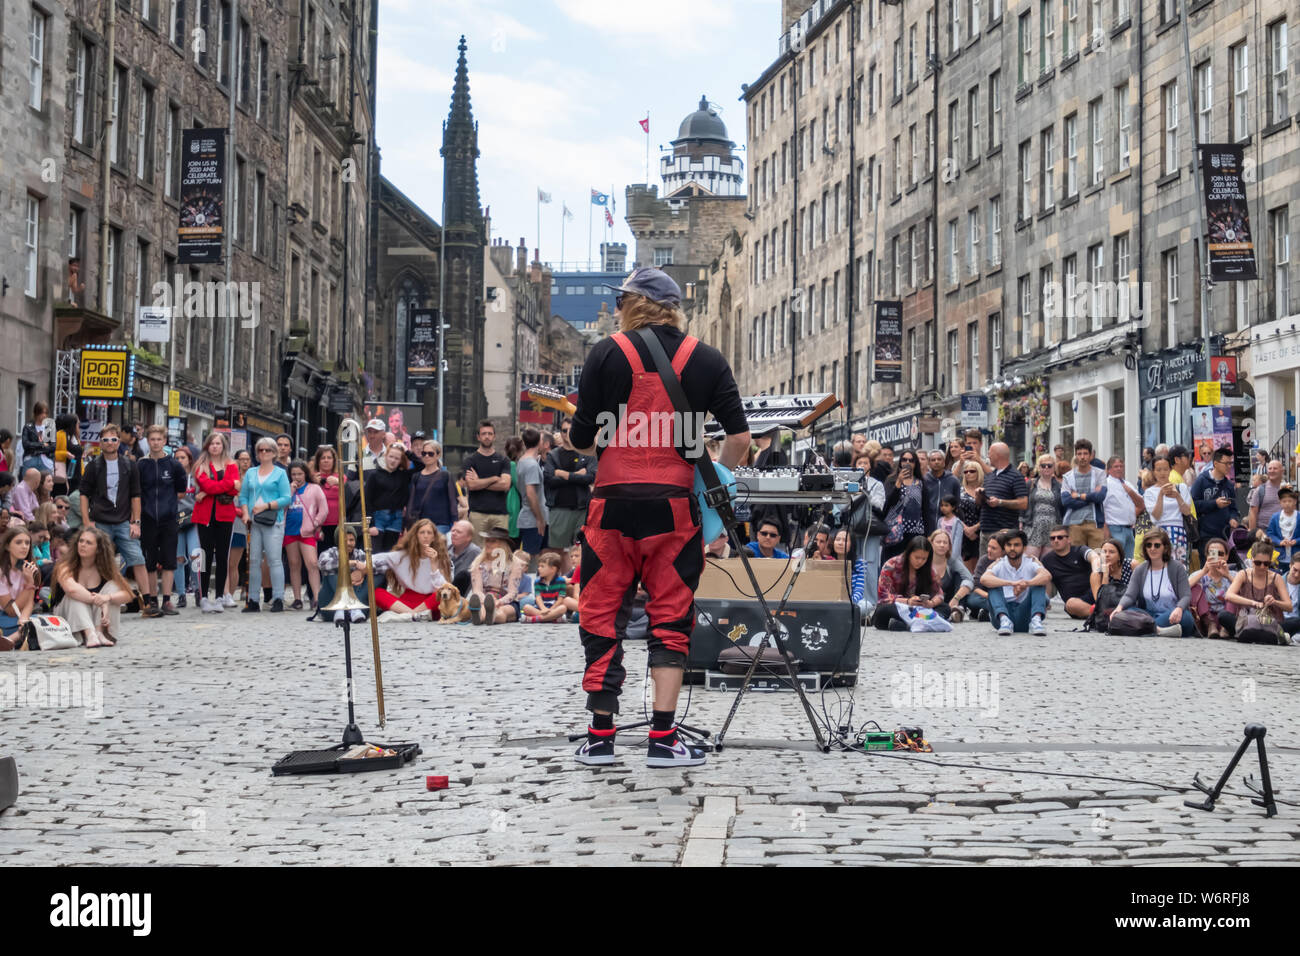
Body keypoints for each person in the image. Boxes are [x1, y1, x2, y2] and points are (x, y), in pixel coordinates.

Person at [569, 266, 748, 768]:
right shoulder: (707, 359)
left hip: (612, 505)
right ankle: (663, 740)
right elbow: (739, 439)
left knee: (602, 613)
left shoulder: (606, 352)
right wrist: (710, 479)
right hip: (673, 507)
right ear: (671, 307)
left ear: (632, 303)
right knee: (670, 619)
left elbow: (582, 440)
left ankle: (601, 738)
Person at [79, 424, 152, 609]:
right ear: (100, 443)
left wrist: (136, 522)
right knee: (98, 561)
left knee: (138, 559)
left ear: (119, 442)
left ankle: (148, 602)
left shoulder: (129, 465)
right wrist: (87, 523)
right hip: (101, 521)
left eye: (113, 439)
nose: (110, 443)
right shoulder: (93, 466)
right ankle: (94, 598)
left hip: (123, 521)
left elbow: (136, 495)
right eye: (105, 440)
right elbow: (84, 495)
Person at [51, 527, 134, 648]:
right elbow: (71, 589)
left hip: (96, 619)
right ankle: (90, 634)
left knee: (112, 587)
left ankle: (99, 632)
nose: (83, 545)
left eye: (88, 543)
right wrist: (101, 603)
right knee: (75, 596)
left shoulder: (105, 569)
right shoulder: (65, 566)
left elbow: (128, 595)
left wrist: (107, 598)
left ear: (98, 549)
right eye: (81, 541)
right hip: (68, 618)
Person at [136, 425, 188, 616]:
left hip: (168, 519)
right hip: (147, 518)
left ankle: (167, 600)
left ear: (164, 441)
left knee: (169, 560)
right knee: (149, 561)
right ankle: (152, 599)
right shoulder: (141, 465)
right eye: (152, 439)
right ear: (148, 441)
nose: (156, 443)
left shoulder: (174, 465)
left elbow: (181, 491)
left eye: (159, 439)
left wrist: (169, 506)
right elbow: (136, 492)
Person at [238, 437, 292, 612]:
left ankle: (278, 598)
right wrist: (245, 512)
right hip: (254, 521)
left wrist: (267, 506)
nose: (264, 453)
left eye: (268, 450)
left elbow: (286, 498)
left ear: (274, 453)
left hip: (272, 520)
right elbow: (243, 496)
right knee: (253, 560)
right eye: (261, 450)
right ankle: (253, 599)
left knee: (274, 560)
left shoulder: (280, 473)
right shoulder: (251, 473)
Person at [1116, 528, 1198, 637]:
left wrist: (1179, 608)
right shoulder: (1140, 569)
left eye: (1157, 545)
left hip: (1171, 615)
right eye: (1148, 545)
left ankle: (1148, 629)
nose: (1152, 548)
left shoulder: (1177, 567)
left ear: (1165, 548)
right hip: (1147, 615)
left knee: (1186, 618)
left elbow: (1186, 596)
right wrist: (1119, 607)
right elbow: (1130, 596)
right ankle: (1159, 630)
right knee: (1126, 613)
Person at [192, 432, 240, 613]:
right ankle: (203, 596)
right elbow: (212, 485)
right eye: (212, 443)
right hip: (205, 515)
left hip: (225, 515)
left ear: (223, 446)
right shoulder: (201, 465)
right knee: (204, 556)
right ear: (207, 446)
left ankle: (220, 596)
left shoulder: (231, 465)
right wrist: (219, 488)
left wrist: (207, 492)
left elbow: (235, 490)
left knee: (222, 557)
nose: (215, 446)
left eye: (218, 443)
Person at [371, 519, 450, 621]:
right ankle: (414, 615)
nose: (425, 536)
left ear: (433, 537)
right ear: (416, 536)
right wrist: (358, 566)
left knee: (442, 594)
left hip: (429, 603)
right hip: (406, 602)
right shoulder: (403, 556)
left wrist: (434, 564)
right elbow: (376, 559)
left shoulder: (441, 557)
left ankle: (410, 615)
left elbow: (443, 588)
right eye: (422, 532)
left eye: (429, 533)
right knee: (377, 593)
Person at [979, 528, 1051, 635]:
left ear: (1024, 547)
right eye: (1009, 545)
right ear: (1005, 547)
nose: (1012, 548)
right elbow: (984, 579)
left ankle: (1036, 621)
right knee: (993, 586)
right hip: (1002, 615)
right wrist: (1012, 583)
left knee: (1038, 584)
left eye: (1016, 545)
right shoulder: (1000, 563)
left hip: (1025, 615)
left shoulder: (1030, 562)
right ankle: (1005, 621)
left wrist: (1026, 583)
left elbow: (1046, 576)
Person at [1221, 540, 1294, 641]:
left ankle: (1252, 634)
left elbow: (1289, 607)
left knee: (1296, 622)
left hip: (1271, 621)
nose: (1262, 567)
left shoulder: (1276, 578)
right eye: (1258, 563)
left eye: (1266, 563)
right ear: (1252, 559)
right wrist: (1252, 603)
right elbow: (1229, 595)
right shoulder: (1243, 574)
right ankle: (1269, 635)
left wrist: (1275, 601)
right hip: (1246, 619)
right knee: (1223, 616)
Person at [543, 418, 596, 550]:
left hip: (581, 509)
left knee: (580, 549)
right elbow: (549, 479)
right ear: (560, 433)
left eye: (570, 430)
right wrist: (577, 475)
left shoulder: (587, 453)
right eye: (564, 430)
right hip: (559, 508)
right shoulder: (553, 455)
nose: (567, 433)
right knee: (558, 551)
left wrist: (563, 474)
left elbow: (590, 477)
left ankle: (577, 572)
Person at [873, 535, 943, 631]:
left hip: (919, 610)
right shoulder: (891, 565)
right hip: (899, 608)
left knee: (945, 608)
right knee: (882, 611)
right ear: (909, 553)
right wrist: (907, 601)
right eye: (917, 557)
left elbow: (939, 593)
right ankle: (925, 622)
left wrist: (931, 603)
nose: (920, 561)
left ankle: (906, 624)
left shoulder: (928, 569)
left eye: (924, 559)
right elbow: (883, 597)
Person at [284, 460, 328, 610]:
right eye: (294, 474)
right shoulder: (286, 489)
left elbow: (323, 509)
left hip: (307, 532)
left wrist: (315, 523)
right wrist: (289, 491)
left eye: (300, 474)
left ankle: (316, 598)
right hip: (289, 530)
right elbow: (282, 506)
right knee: (294, 564)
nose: (297, 477)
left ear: (305, 474)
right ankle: (297, 599)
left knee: (312, 564)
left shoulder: (314, 488)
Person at [881, 449, 934, 564]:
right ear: (900, 462)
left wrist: (928, 533)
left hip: (915, 531)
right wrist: (898, 483)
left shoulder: (921, 483)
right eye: (904, 460)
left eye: (911, 460)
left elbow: (926, 510)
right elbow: (887, 504)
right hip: (895, 530)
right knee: (893, 564)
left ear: (915, 464)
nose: (907, 463)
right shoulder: (891, 480)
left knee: (912, 564)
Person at [462, 420, 511, 543]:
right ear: (478, 437)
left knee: (500, 552)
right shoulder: (470, 461)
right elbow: (471, 485)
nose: (487, 436)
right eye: (484, 434)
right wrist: (494, 479)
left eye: (490, 433)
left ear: (494, 436)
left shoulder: (503, 460)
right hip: (478, 513)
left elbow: (505, 485)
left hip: (500, 514)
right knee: (478, 552)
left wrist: (480, 482)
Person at [365, 442, 420, 552]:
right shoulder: (375, 475)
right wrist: (371, 524)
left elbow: (421, 466)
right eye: (391, 457)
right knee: (376, 553)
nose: (393, 460)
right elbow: (367, 500)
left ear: (400, 461)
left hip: (396, 518)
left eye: (397, 458)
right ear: (385, 457)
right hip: (378, 517)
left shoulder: (403, 475)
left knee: (389, 554)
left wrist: (407, 451)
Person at [467, 527, 527, 626]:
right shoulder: (478, 563)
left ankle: (492, 616)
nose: (488, 544)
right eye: (487, 541)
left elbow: (513, 592)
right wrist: (486, 600)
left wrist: (499, 602)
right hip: (485, 600)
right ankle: (479, 617)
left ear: (502, 545)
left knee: (502, 611)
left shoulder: (514, 563)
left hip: (507, 602)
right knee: (482, 609)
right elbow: (477, 590)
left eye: (493, 541)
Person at [1041, 525, 1103, 620]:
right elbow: (1046, 581)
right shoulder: (1047, 560)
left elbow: (1094, 557)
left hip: (1094, 593)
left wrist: (1096, 568)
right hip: (1076, 602)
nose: (1056, 540)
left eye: (1060, 537)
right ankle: (1101, 615)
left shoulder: (1080, 550)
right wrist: (1045, 603)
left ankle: (1100, 611)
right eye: (1052, 538)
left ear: (1069, 539)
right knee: (1070, 604)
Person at [978, 442, 1030, 554]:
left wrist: (1000, 502)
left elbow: (1023, 503)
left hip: (1004, 532)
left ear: (997, 455)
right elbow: (981, 503)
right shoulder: (990, 476)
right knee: (985, 567)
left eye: (989, 453)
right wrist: (980, 495)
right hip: (985, 531)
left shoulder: (1016, 476)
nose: (988, 456)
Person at [1190, 447, 1240, 559]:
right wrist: (1214, 504)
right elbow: (1193, 505)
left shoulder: (1228, 485)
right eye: (1226, 463)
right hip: (1207, 535)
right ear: (1216, 463)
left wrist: (1233, 518)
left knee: (1222, 566)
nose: (1229, 466)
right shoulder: (1201, 480)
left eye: (1230, 463)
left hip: (1224, 535)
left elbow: (1233, 508)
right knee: (1211, 565)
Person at [1143, 456, 1192, 566]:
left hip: (1179, 530)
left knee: (1180, 567)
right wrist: (1160, 495)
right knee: (1160, 565)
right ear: (1153, 472)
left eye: (1165, 469)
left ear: (1170, 470)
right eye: (1159, 470)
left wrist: (1178, 496)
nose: (1162, 473)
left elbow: (1187, 512)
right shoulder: (1150, 492)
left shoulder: (1181, 487)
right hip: (1159, 532)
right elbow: (1156, 515)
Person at [1060, 439, 1107, 550]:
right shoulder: (1068, 476)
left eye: (1085, 453)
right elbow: (1066, 501)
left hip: (1095, 523)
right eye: (1079, 454)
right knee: (1077, 561)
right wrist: (1091, 497)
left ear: (1091, 455)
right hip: (1074, 524)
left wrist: (1079, 496)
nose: (1082, 457)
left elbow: (1100, 496)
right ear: (1075, 455)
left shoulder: (1099, 474)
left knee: (1098, 559)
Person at [404, 439, 458, 535]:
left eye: (430, 453)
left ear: (438, 455)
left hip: (440, 524)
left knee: (437, 549)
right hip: (420, 524)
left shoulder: (445, 475)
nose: (427, 456)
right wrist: (408, 524)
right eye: (424, 453)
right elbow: (411, 503)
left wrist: (455, 522)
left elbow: (453, 501)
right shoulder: (416, 476)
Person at [316, 527, 368, 623]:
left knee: (373, 575)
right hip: (331, 607)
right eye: (344, 540)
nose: (348, 543)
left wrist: (362, 573)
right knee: (332, 571)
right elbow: (322, 564)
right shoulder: (330, 552)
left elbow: (378, 564)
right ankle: (343, 606)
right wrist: (352, 563)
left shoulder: (360, 554)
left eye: (351, 540)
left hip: (357, 607)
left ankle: (353, 609)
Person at [1188, 537, 1235, 638]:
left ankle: (1224, 628)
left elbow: (1246, 591)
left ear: (1227, 556)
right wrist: (1203, 572)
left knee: (1235, 589)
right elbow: (1183, 589)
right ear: (1206, 556)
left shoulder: (1234, 575)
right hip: (1205, 620)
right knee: (1195, 587)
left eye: (1220, 554)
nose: (1217, 557)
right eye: (1213, 553)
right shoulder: (1198, 574)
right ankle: (1210, 624)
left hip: (1227, 618)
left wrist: (1227, 575)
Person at [0, 526, 39, 643]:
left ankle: (13, 639)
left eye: (27, 543)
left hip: (20, 616)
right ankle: (17, 637)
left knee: (37, 622)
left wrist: (24, 619)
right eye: (18, 542)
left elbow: (29, 602)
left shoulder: (30, 568)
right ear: (7, 546)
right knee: (33, 628)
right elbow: (10, 610)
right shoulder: (1, 572)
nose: (24, 546)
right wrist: (29, 584)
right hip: (4, 616)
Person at [514, 427, 549, 555]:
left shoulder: (523, 461)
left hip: (529, 517)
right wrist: (540, 519)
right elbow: (530, 493)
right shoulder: (531, 465)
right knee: (531, 558)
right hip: (532, 520)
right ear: (540, 442)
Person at [1101, 456, 1144, 561]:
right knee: (1114, 562)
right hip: (1115, 529)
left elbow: (1141, 504)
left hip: (1129, 530)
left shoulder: (1127, 483)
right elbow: (1101, 509)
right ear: (1109, 469)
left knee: (1128, 564)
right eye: (1116, 466)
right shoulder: (1106, 485)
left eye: (1121, 466)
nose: (1119, 468)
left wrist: (1130, 491)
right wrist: (1106, 531)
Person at [929, 528, 974, 621]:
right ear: (931, 543)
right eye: (938, 542)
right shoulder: (925, 560)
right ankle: (948, 614)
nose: (942, 545)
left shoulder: (952, 560)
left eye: (945, 543)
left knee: (960, 576)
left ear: (949, 546)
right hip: (932, 599)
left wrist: (956, 598)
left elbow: (969, 579)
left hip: (951, 600)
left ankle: (958, 609)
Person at [1024, 453, 1063, 558]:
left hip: (1052, 527)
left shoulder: (1060, 486)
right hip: (1034, 526)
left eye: (1049, 465)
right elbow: (1024, 505)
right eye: (1043, 465)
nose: (1046, 467)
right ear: (1038, 467)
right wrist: (1021, 522)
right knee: (1029, 561)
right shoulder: (1030, 484)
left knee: (1048, 562)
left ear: (1054, 467)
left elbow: (1062, 507)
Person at [966, 532, 1006, 622]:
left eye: (993, 548)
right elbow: (976, 587)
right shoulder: (984, 560)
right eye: (988, 546)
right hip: (986, 596)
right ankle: (995, 611)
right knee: (970, 599)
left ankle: (988, 612)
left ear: (1003, 551)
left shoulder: (1010, 561)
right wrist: (990, 596)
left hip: (1007, 596)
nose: (989, 550)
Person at [312, 444, 345, 550]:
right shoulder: (312, 477)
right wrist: (313, 484)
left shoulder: (341, 477)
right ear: (318, 461)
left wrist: (338, 483)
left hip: (338, 524)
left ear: (334, 460)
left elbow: (349, 497)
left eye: (329, 458)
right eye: (323, 458)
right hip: (318, 525)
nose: (326, 460)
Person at [521, 552, 570, 622]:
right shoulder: (537, 581)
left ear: (553, 569)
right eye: (538, 566)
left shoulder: (561, 581)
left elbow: (560, 600)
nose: (539, 569)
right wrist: (543, 609)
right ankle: (553, 619)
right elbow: (538, 598)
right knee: (526, 607)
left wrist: (551, 610)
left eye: (542, 566)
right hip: (540, 608)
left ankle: (535, 619)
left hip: (554, 608)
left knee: (563, 608)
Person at [956, 460, 983, 571]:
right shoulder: (959, 491)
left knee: (979, 569)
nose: (968, 474)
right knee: (966, 571)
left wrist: (975, 528)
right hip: (963, 533)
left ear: (979, 473)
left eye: (972, 471)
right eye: (965, 472)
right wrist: (966, 529)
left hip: (981, 532)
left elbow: (989, 512)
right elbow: (953, 512)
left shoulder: (985, 490)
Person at [924, 449, 961, 528]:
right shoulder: (923, 481)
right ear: (928, 463)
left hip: (948, 526)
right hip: (927, 525)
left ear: (944, 462)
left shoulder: (953, 480)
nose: (936, 462)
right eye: (933, 460)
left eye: (939, 459)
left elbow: (957, 505)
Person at [1248, 458, 1285, 535]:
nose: (1272, 471)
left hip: (1284, 533)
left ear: (1282, 471)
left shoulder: (1287, 489)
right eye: (1270, 468)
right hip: (1264, 534)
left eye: (1275, 468)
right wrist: (1253, 535)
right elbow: (1252, 513)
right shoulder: (1260, 490)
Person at [446, 519, 480, 596]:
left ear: (469, 537)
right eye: (453, 531)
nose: (454, 534)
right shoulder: (446, 549)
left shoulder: (475, 553)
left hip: (462, 595)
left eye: (458, 532)